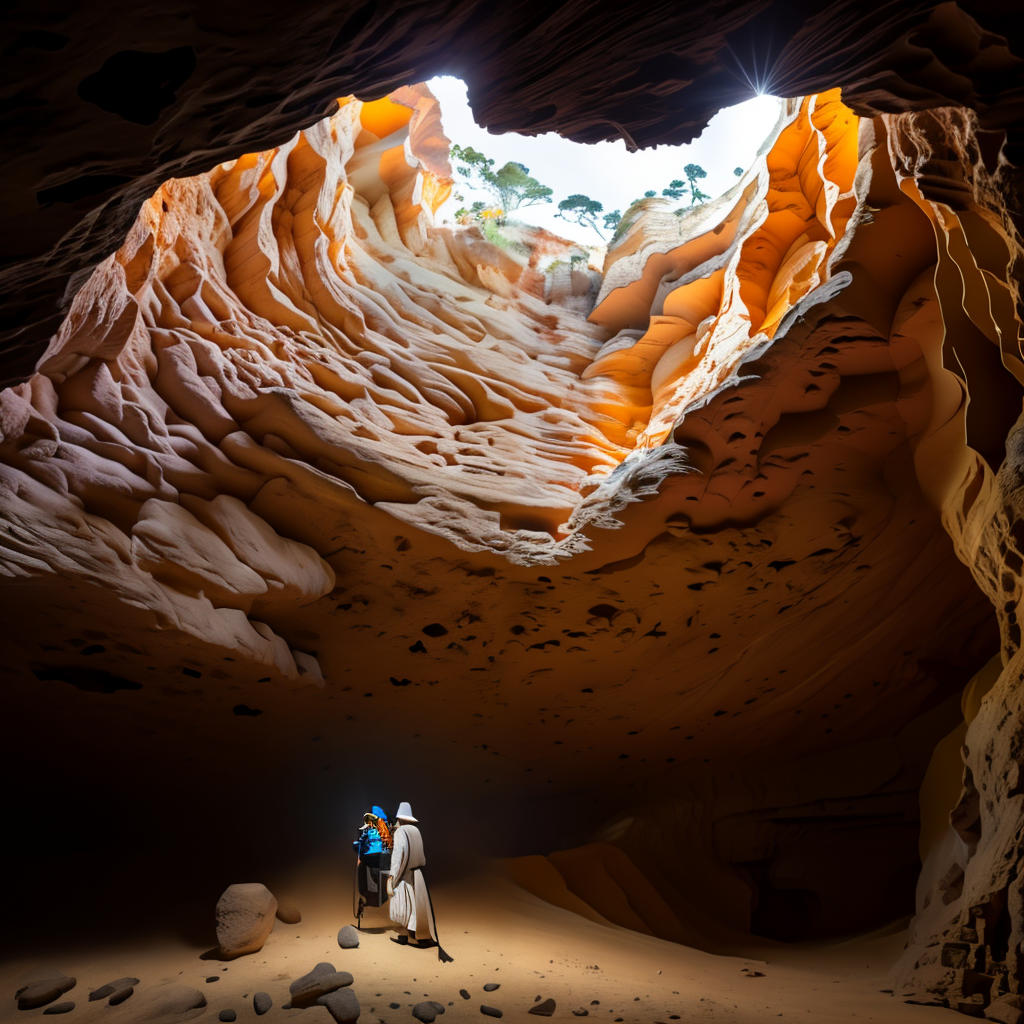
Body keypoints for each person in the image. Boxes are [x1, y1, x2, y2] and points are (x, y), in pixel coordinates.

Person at [387, 802, 452, 961]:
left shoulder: (400, 832)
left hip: (405, 875)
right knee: (418, 906)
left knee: (405, 905)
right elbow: (421, 856)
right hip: (418, 874)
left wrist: (392, 879)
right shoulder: (416, 830)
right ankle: (420, 935)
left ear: (399, 819)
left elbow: (398, 858)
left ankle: (410, 936)